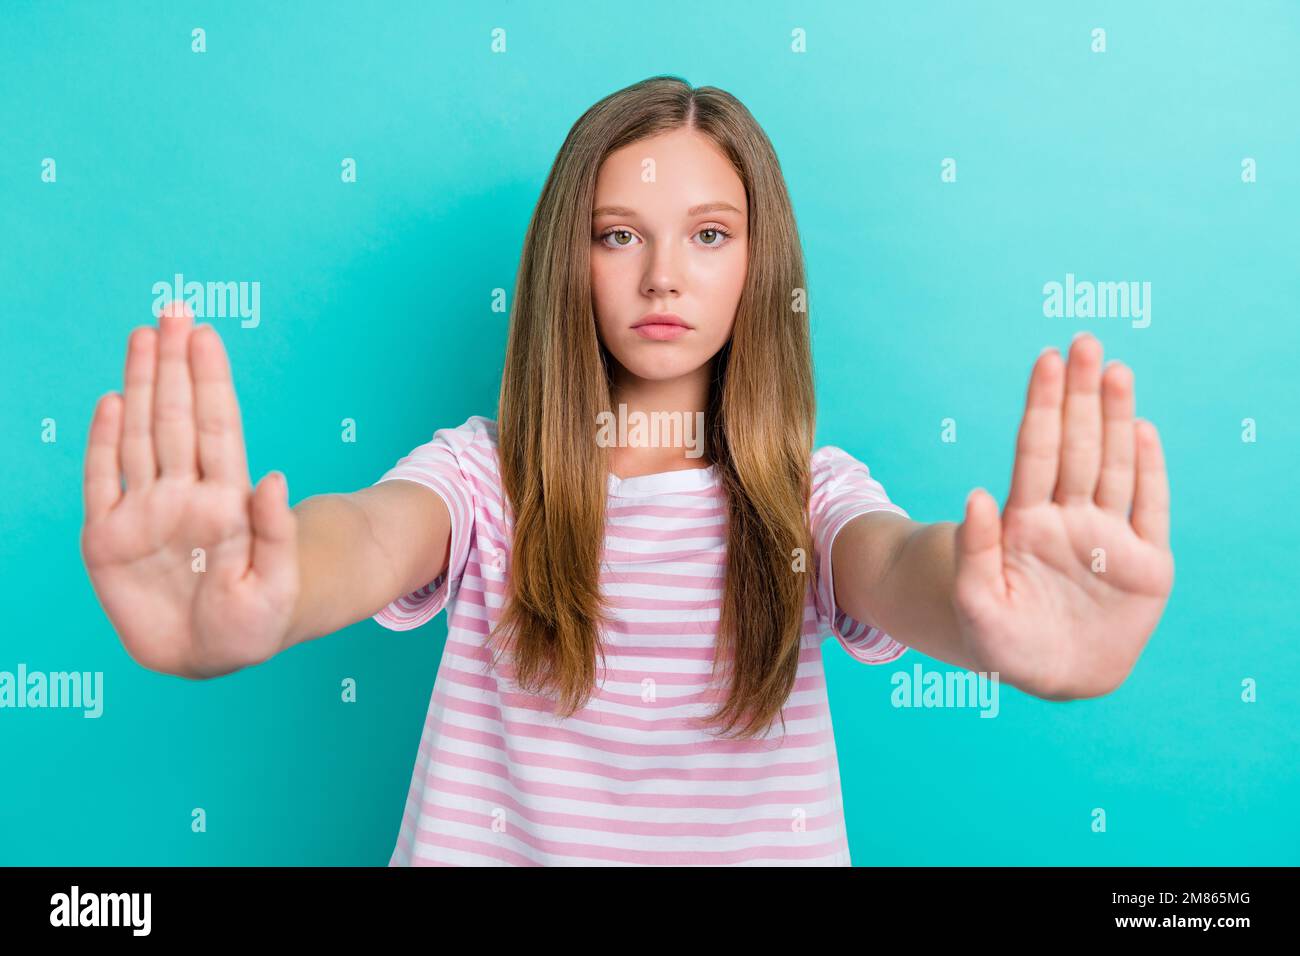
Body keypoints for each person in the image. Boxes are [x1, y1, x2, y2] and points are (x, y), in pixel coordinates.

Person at [80, 75, 1175, 866]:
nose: (661, 274)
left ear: (761, 265)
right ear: (571, 257)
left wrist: (990, 620)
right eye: (617, 235)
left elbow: (897, 563)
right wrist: (270, 600)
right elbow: (368, 536)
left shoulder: (808, 496)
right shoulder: (482, 478)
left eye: (708, 234)